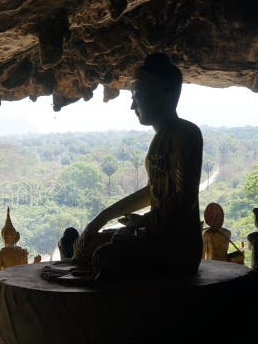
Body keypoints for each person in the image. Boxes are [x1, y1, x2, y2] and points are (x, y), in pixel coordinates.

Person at [72, 53, 203, 278]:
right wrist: (101, 218)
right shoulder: (161, 138)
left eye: (138, 95)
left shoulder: (186, 134)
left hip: (177, 246)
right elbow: (153, 191)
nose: (133, 105)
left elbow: (184, 200)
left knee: (103, 256)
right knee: (87, 246)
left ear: (165, 95)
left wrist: (145, 222)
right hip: (155, 235)